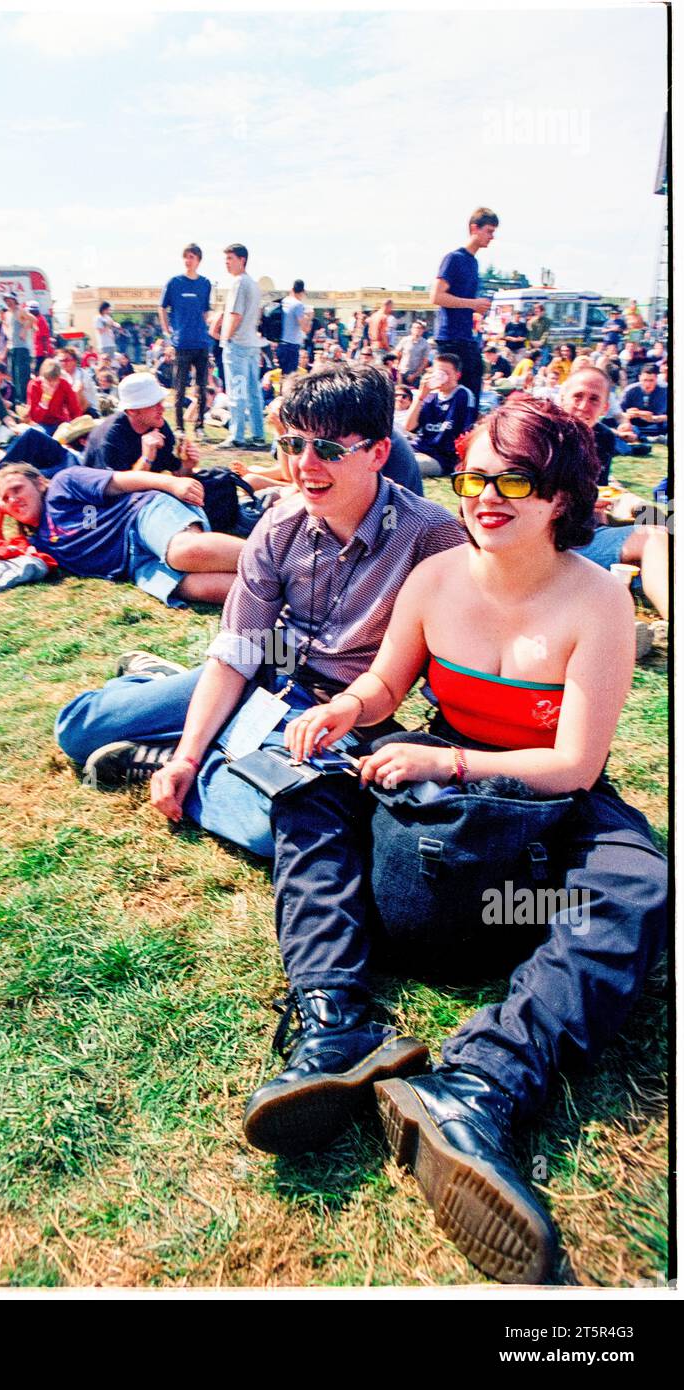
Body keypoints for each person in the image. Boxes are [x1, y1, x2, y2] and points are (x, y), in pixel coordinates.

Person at [252, 395, 666, 1286]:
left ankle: (478, 1084)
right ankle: (337, 1022)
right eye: (473, 474)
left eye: (513, 478)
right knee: (310, 801)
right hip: (440, 799)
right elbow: (383, 685)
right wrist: (344, 709)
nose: (486, 494)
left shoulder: (598, 601)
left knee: (632, 886)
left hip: (531, 837)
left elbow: (571, 765)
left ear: (561, 496)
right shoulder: (437, 577)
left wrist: (448, 760)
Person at [57, 365, 464, 857]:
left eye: (329, 449)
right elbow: (238, 650)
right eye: (293, 445)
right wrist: (186, 759)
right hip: (264, 670)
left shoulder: (433, 537)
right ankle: (191, 730)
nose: (305, 466)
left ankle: (185, 745)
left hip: (337, 711)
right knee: (77, 730)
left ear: (379, 453)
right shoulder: (279, 525)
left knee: (269, 826)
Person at [0, 459, 242, 607]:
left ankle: (279, 557)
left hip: (143, 514)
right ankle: (276, 589)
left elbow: (121, 480)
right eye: (6, 498)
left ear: (38, 482)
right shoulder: (39, 543)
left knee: (183, 552)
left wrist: (172, 482)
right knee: (192, 586)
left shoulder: (64, 484)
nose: (13, 499)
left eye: (17, 489)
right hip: (134, 564)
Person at [560, 366, 668, 620]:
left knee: (661, 526)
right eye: (577, 396)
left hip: (590, 532)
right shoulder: (545, 437)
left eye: (594, 399)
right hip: (557, 541)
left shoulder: (603, 438)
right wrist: (585, 501)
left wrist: (616, 506)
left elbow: (598, 495)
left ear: (605, 408)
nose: (584, 405)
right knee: (654, 537)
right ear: (562, 397)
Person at [431, 208, 498, 411]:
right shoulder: (454, 258)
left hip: (465, 336)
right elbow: (436, 296)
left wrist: (475, 310)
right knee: (454, 397)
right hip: (451, 338)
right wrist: (472, 304)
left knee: (471, 395)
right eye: (488, 231)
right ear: (474, 228)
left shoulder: (473, 262)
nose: (491, 237)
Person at [82, 372, 198, 475]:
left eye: (161, 402)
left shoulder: (158, 426)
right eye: (154, 405)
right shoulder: (110, 437)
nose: (162, 409)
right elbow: (118, 491)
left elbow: (178, 473)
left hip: (147, 493)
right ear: (133, 411)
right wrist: (146, 458)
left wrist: (186, 466)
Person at [213, 243, 266, 450]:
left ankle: (237, 436)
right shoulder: (253, 284)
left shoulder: (238, 283)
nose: (227, 263)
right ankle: (258, 433)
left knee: (237, 392)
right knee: (254, 392)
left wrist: (225, 338)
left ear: (241, 260)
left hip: (238, 345)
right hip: (252, 344)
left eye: (230, 259)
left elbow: (235, 314)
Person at [158, 243, 213, 438]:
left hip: (201, 343)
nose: (188, 260)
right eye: (186, 257)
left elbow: (206, 311)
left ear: (198, 260)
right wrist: (167, 334)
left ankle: (199, 427)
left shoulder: (205, 283)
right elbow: (162, 308)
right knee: (179, 387)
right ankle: (179, 427)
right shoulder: (174, 282)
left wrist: (206, 329)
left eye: (192, 257)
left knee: (202, 387)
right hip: (181, 344)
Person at [405, 353, 476, 477]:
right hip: (419, 448)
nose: (441, 377)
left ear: (457, 376)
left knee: (406, 464)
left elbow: (467, 433)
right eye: (438, 373)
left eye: (446, 373)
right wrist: (420, 397)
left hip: (441, 458)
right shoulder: (430, 396)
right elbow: (409, 427)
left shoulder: (463, 395)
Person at [617, 363, 668, 446]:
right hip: (634, 424)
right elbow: (618, 413)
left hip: (657, 424)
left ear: (656, 378)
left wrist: (654, 418)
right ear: (639, 378)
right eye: (645, 380)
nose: (648, 384)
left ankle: (643, 437)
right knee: (620, 425)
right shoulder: (630, 390)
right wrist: (629, 415)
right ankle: (648, 438)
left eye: (651, 380)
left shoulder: (665, 390)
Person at [26, 358, 81, 434]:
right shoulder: (34, 385)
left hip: (60, 423)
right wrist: (45, 398)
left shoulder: (63, 384)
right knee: (39, 434)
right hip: (41, 424)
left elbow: (74, 409)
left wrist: (78, 426)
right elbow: (35, 418)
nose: (52, 384)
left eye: (55, 380)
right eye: (48, 380)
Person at [1, 294, 35, 406]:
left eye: (10, 300)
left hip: (21, 348)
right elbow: (9, 333)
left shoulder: (19, 311)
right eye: (6, 300)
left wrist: (24, 330)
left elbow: (33, 319)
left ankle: (25, 401)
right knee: (14, 376)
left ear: (15, 300)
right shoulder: (7, 314)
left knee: (22, 376)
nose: (8, 302)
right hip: (13, 348)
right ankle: (18, 401)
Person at [278, 279, 312, 378]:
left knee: (283, 377)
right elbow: (305, 328)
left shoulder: (284, 301)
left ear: (292, 289)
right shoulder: (298, 305)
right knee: (290, 378)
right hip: (291, 347)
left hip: (281, 345)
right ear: (302, 292)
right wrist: (309, 317)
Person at [396, 320, 430, 385]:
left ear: (423, 330)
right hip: (402, 372)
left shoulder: (425, 344)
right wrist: (397, 370)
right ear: (411, 329)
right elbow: (397, 354)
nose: (417, 330)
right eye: (415, 328)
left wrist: (415, 375)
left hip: (415, 375)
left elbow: (424, 361)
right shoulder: (405, 340)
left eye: (420, 328)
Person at [367, 298, 396, 363]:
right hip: (381, 346)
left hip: (373, 345)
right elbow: (383, 334)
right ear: (387, 306)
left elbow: (369, 332)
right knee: (383, 368)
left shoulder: (373, 315)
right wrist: (388, 348)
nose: (391, 309)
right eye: (391, 307)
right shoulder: (383, 317)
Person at [30, 302, 52, 370]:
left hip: (41, 352)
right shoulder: (35, 319)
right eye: (30, 310)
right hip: (36, 351)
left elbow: (44, 337)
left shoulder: (41, 320)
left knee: (39, 371)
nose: (31, 312)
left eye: (33, 310)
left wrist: (45, 351)